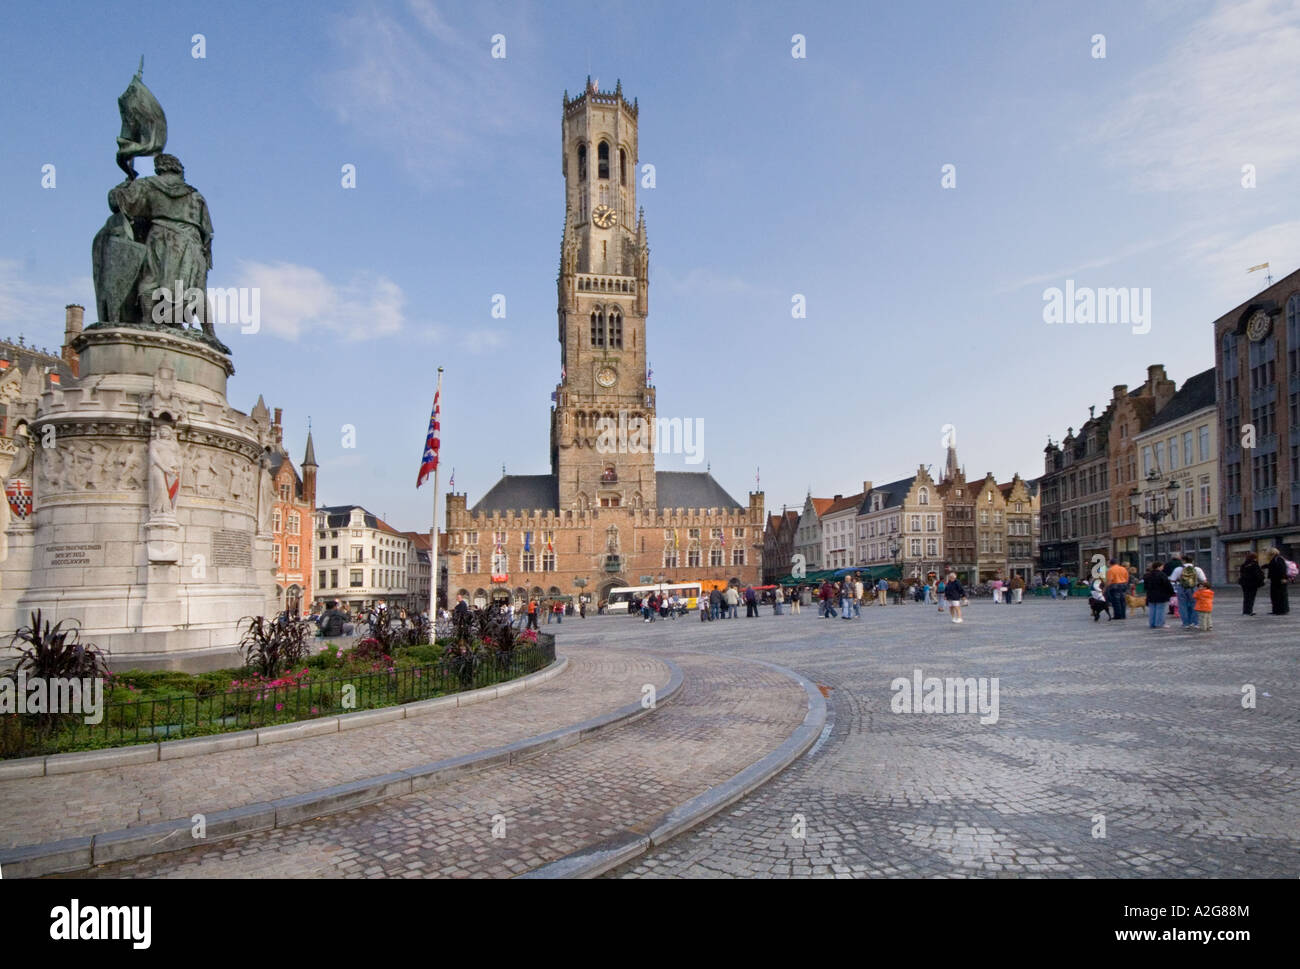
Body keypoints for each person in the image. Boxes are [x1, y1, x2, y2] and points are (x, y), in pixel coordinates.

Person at [1170, 555, 1206, 629]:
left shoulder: (1178, 569)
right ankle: (1195, 622)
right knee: (1195, 605)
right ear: (1192, 561)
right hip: (1194, 588)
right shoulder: (1197, 569)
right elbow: (1203, 580)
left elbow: (1172, 580)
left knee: (1183, 606)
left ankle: (1185, 623)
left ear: (1183, 561)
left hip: (1182, 588)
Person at [1143, 564, 1174, 629]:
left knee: (1152, 609)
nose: (1163, 567)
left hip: (1150, 594)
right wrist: (1171, 592)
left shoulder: (1147, 575)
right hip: (1161, 594)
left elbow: (1145, 586)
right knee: (1160, 609)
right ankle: (1159, 623)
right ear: (1158, 567)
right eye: (1162, 566)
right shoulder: (1162, 574)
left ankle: (1152, 623)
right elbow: (1167, 584)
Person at [1265, 547, 1291, 615]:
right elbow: (1272, 566)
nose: (1267, 555)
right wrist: (1265, 566)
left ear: (1272, 553)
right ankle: (1276, 610)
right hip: (1275, 580)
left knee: (1280, 596)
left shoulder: (1278, 559)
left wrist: (1283, 578)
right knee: (1275, 596)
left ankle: (1282, 610)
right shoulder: (1274, 559)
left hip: (1279, 580)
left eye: (1268, 554)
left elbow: (1282, 569)